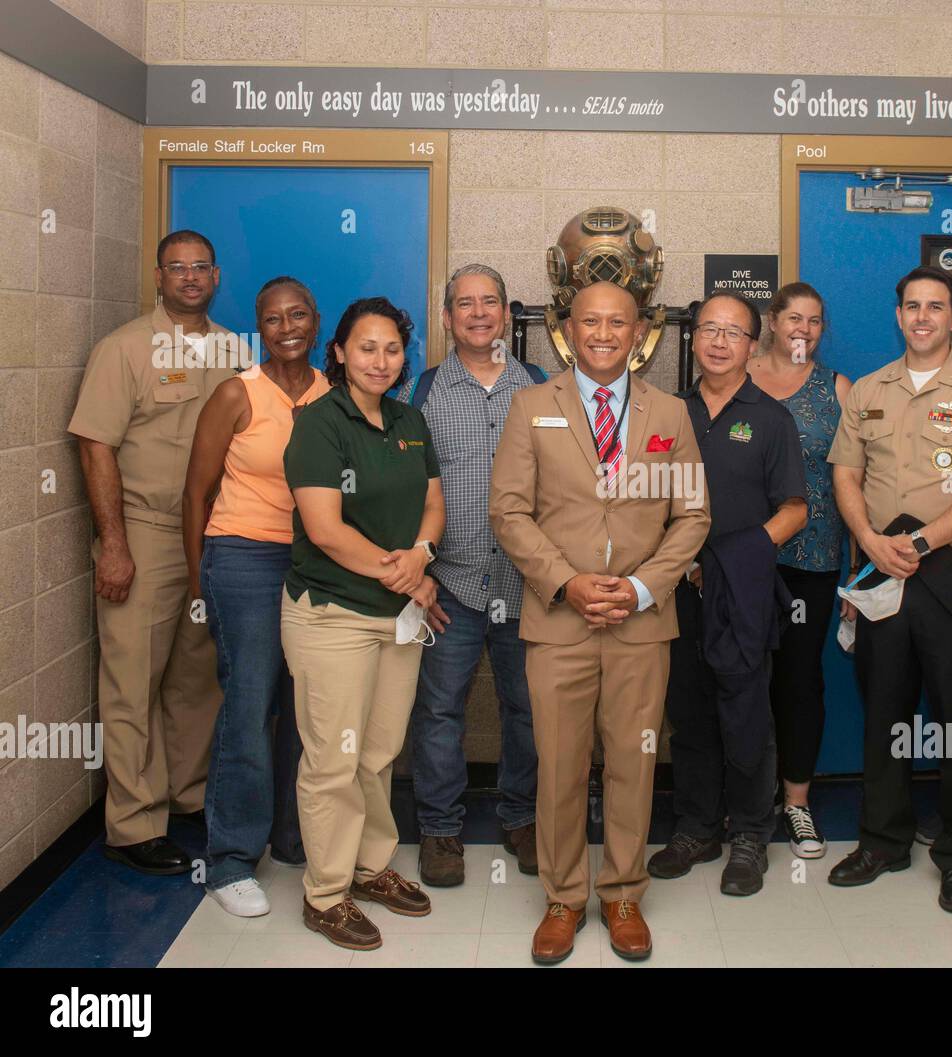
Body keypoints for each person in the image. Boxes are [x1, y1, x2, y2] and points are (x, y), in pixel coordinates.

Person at [490, 281, 711, 965]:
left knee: (634, 762)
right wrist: (567, 581)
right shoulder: (532, 407)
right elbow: (508, 511)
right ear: (568, 329)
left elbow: (693, 514)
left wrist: (644, 587)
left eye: (619, 321)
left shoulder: (671, 410)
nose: (605, 332)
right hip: (560, 620)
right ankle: (562, 898)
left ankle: (620, 893)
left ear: (640, 331)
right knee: (557, 764)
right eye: (591, 321)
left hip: (642, 623)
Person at [827, 266, 952, 915]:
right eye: (911, 305)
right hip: (882, 566)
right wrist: (871, 538)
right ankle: (882, 840)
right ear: (898, 313)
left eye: (935, 307)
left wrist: (918, 542)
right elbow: (847, 475)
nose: (921, 317)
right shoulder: (868, 391)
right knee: (885, 711)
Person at [69, 230, 241, 874]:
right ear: (159, 277)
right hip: (143, 532)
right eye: (178, 269)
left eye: (202, 267)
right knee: (132, 677)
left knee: (198, 675)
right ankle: (134, 823)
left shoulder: (230, 349)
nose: (191, 278)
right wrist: (113, 544)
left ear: (216, 276)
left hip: (213, 533)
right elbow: (95, 446)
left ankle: (186, 796)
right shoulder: (123, 349)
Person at [280, 297, 446, 951]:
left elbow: (434, 501)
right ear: (341, 352)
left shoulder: (409, 419)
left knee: (377, 753)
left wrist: (423, 556)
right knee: (333, 758)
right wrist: (404, 573)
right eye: (367, 346)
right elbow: (324, 529)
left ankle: (371, 867)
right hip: (334, 615)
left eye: (393, 348)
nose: (381, 359)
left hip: (397, 616)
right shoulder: (320, 424)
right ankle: (325, 893)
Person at [181, 276, 330, 916]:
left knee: (307, 708)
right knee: (248, 704)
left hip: (317, 562)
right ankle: (230, 862)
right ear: (259, 327)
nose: (287, 326)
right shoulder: (235, 394)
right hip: (243, 558)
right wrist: (199, 584)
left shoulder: (337, 394)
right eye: (273, 318)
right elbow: (195, 493)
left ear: (316, 320)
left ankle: (295, 840)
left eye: (299, 314)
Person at [649, 293, 807, 895]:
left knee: (745, 712)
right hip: (674, 590)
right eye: (708, 329)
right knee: (688, 712)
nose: (718, 341)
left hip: (740, 592)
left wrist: (729, 559)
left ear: (753, 342)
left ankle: (749, 833)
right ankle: (695, 826)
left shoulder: (769, 419)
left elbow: (794, 508)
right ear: (694, 338)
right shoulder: (665, 412)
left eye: (732, 332)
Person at [395, 264, 544, 887]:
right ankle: (440, 832)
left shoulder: (540, 388)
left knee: (528, 710)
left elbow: (564, 488)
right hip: (448, 586)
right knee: (438, 713)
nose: (478, 313)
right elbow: (401, 491)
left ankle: (523, 819)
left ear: (507, 314)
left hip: (524, 585)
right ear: (448, 317)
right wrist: (417, 575)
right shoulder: (422, 393)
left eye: (490, 303)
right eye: (464, 304)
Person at [747, 281, 851, 859]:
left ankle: (797, 803)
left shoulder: (836, 388)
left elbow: (853, 478)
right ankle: (746, 803)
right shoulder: (738, 377)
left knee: (799, 682)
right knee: (742, 680)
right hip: (742, 561)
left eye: (814, 321)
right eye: (793, 318)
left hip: (810, 561)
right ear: (771, 321)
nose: (803, 331)